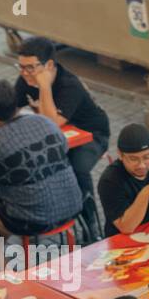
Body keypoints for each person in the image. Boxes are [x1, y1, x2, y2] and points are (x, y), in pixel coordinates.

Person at [14, 37, 111, 240]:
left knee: (76, 169)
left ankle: (90, 225)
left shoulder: (69, 85)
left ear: (49, 65)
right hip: (58, 139)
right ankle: (38, 217)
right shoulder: (25, 79)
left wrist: (44, 88)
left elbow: (51, 122)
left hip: (92, 135)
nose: (24, 73)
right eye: (20, 67)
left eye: (30, 68)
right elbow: (11, 111)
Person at [0, 80, 82, 242]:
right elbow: (63, 149)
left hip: (32, 222)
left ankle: (4, 265)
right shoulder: (44, 122)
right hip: (73, 207)